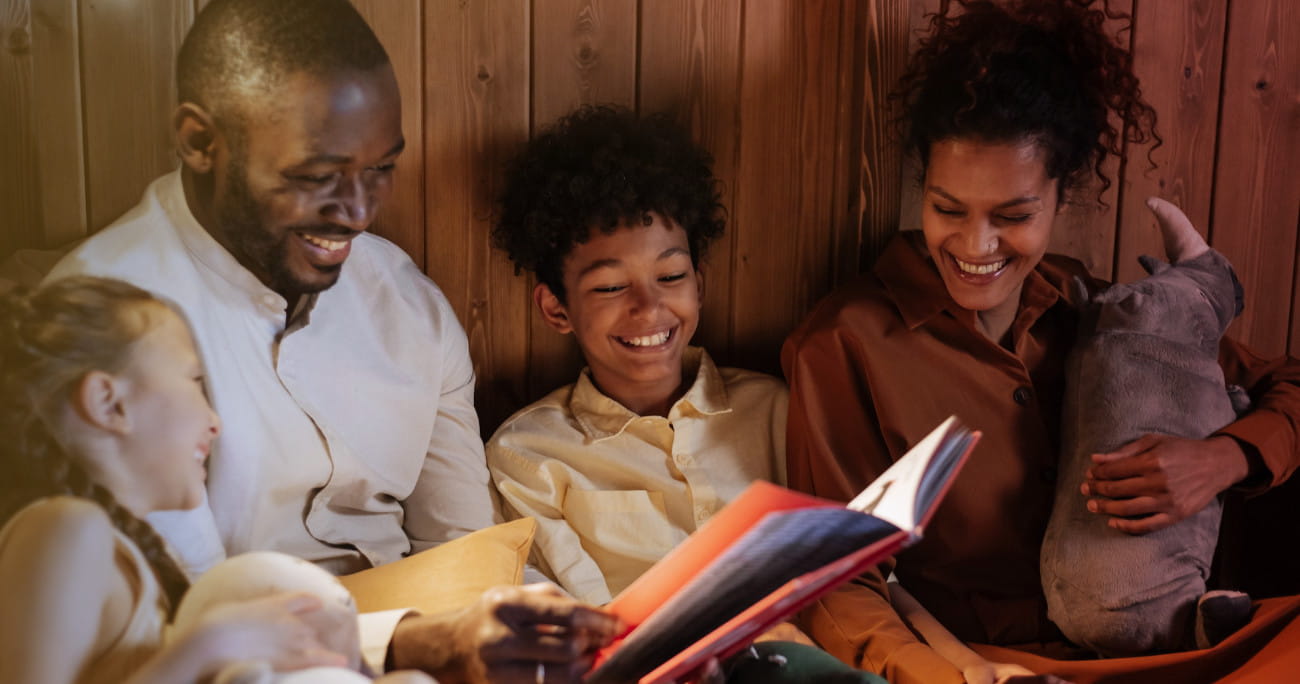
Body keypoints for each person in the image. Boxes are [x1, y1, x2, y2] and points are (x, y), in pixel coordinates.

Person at [45, 0, 619, 680]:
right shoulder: (104, 328)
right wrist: (416, 644)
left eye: (380, 170)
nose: (358, 213)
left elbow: (464, 546)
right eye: (317, 176)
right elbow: (177, 617)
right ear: (200, 142)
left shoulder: (406, 301)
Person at [781, 1, 1300, 682]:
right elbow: (838, 581)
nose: (976, 244)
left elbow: (1289, 384)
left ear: (1061, 196)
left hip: (1187, 646)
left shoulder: (1104, 310)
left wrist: (1226, 459)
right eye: (947, 208)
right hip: (989, 667)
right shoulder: (845, 345)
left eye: (1014, 214)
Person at [487, 105, 883, 684]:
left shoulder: (779, 411)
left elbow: (858, 584)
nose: (649, 307)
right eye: (610, 286)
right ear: (556, 308)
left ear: (700, 283)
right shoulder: (528, 456)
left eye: (671, 277)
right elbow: (579, 634)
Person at [0, 277, 348, 683]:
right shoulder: (66, 525)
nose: (215, 422)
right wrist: (210, 646)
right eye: (195, 381)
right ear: (109, 403)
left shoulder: (119, 548)